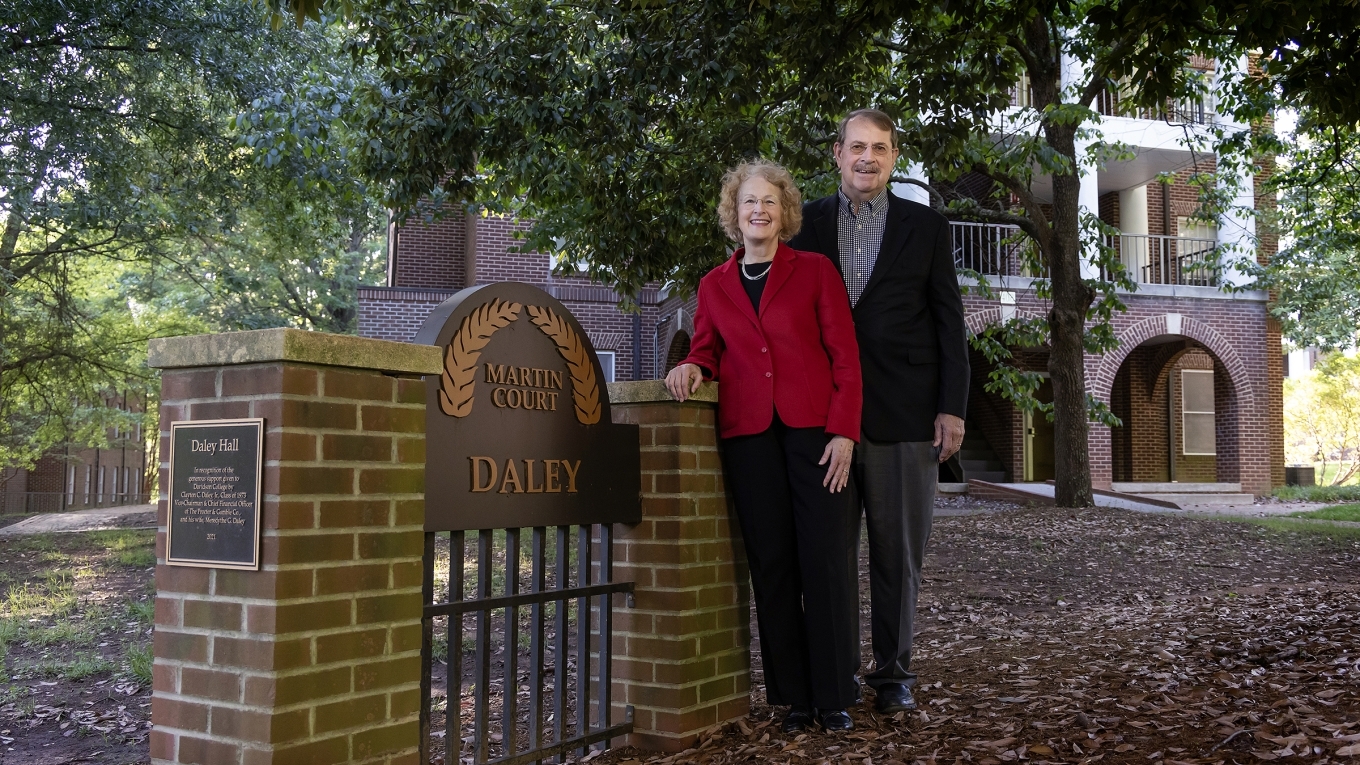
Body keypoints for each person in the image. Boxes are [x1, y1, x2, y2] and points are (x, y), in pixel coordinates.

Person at [666, 159, 863, 733]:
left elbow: (846, 359)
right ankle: (795, 698)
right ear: (735, 212)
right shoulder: (713, 284)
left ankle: (833, 697)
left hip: (816, 437)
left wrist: (845, 431)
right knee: (773, 566)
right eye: (749, 201)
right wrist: (689, 368)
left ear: (785, 213)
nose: (759, 210)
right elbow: (705, 349)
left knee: (824, 562)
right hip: (750, 439)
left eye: (770, 202)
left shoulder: (816, 271)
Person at [787, 109, 969, 714]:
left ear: (894, 157)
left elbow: (950, 325)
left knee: (898, 556)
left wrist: (952, 408)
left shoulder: (927, 227)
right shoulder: (800, 223)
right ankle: (834, 681)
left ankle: (893, 677)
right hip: (824, 417)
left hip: (905, 413)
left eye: (881, 149)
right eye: (857, 147)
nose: (868, 158)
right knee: (829, 558)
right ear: (837, 152)